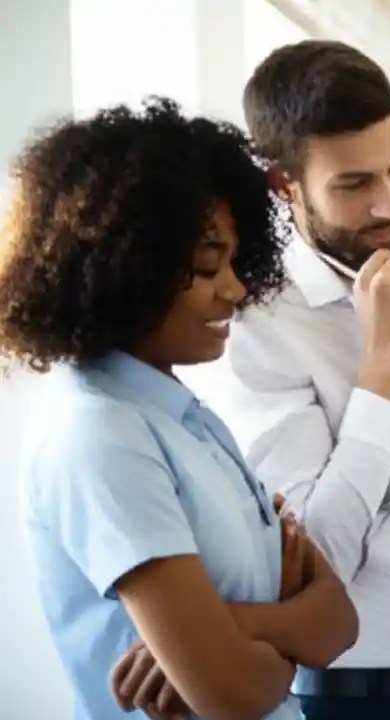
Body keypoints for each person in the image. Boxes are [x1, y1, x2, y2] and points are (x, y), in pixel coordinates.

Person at [1, 97, 358, 720]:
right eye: (204, 265)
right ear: (123, 269)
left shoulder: (185, 416)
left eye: (234, 260)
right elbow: (236, 693)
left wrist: (231, 624)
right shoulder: (100, 431)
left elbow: (339, 623)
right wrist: (275, 631)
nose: (237, 287)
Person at [179, 40, 390, 719]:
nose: (388, 204)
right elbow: (320, 558)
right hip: (347, 701)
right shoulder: (253, 324)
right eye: (353, 185)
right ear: (282, 184)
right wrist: (383, 367)